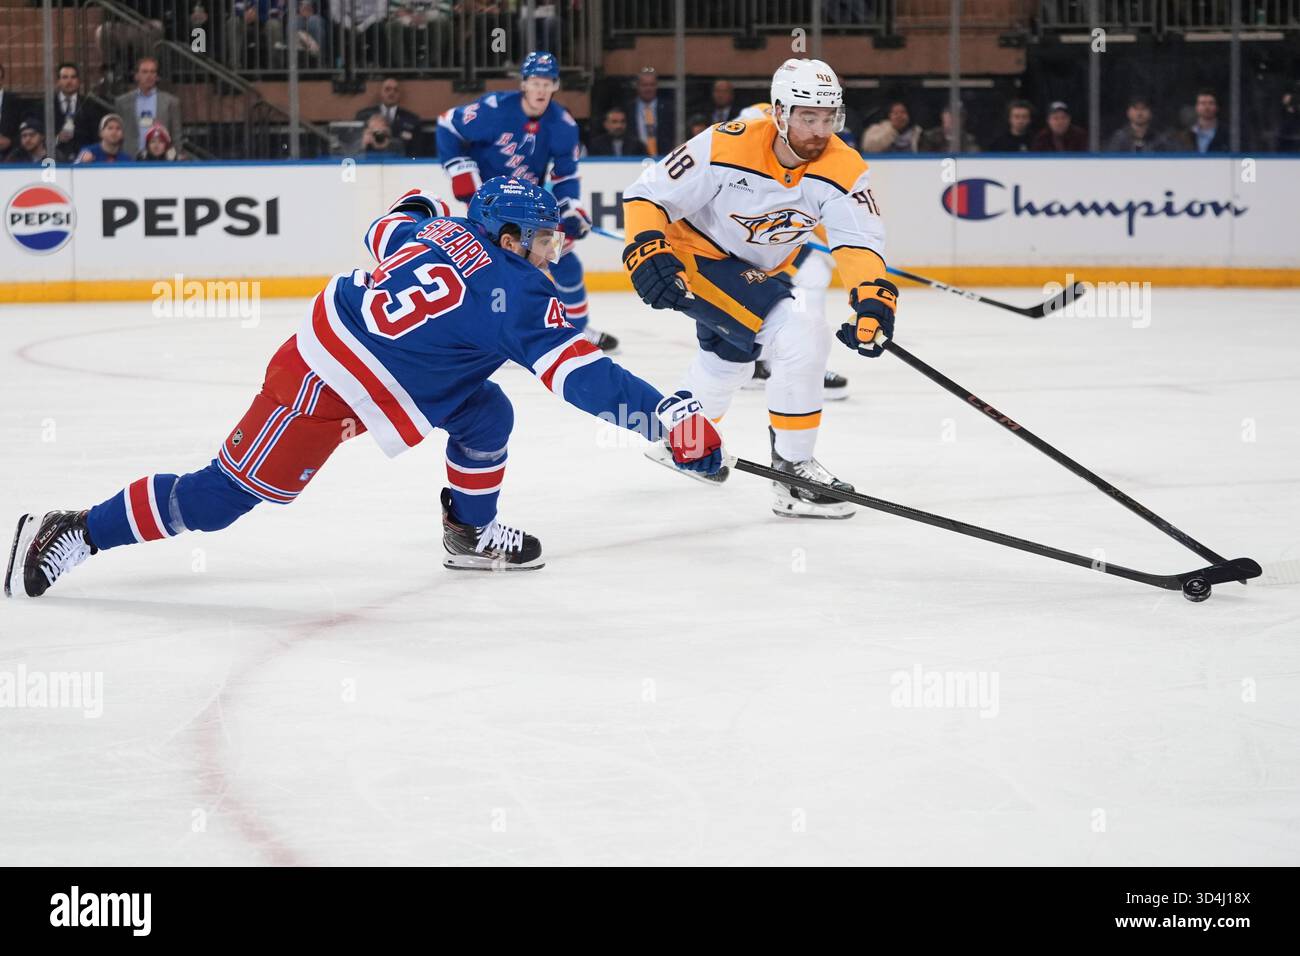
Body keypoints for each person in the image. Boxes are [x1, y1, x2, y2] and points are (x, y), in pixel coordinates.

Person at [4, 178, 724, 598]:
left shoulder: (442, 229)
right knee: (221, 499)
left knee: (486, 412)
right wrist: (665, 419)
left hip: (386, 368)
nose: (554, 249)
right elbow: (584, 377)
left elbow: (390, 225)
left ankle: (469, 530)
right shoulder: (519, 295)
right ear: (508, 240)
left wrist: (414, 209)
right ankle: (73, 530)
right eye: (542, 240)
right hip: (325, 386)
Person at [622, 58, 897, 519]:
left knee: (729, 357)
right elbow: (647, 193)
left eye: (829, 118)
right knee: (799, 333)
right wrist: (647, 247)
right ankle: (793, 474)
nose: (819, 130)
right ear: (780, 112)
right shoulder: (727, 143)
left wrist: (872, 298)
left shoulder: (844, 168)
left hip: (754, 268)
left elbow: (859, 242)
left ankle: (682, 442)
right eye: (809, 117)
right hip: (693, 254)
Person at [437, 51, 618, 353]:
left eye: (548, 83)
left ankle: (578, 329)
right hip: (488, 206)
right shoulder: (493, 109)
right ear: (524, 83)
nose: (541, 90)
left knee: (565, 261)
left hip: (527, 208)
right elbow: (447, 124)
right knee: (486, 267)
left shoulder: (563, 124)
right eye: (535, 82)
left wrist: (570, 206)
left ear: (556, 85)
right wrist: (459, 167)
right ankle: (479, 334)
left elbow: (564, 176)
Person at [114, 57, 183, 155]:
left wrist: (176, 156)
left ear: (157, 76)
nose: (149, 76)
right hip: (131, 158)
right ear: (136, 76)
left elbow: (176, 135)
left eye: (152, 72)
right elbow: (118, 132)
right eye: (145, 72)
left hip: (161, 159)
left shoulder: (170, 102)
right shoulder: (122, 102)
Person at [356, 77, 422, 158]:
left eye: (395, 90)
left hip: (401, 163)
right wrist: (362, 144)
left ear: (400, 94)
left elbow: (416, 152)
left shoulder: (412, 119)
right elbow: (353, 147)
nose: (391, 93)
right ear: (380, 92)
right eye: (387, 89)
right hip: (369, 161)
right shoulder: (364, 116)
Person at [52, 62, 101, 164]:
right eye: (65, 77)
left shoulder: (90, 105)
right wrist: (57, 138)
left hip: (85, 160)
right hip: (54, 160)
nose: (69, 81)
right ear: (58, 82)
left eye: (73, 77)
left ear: (78, 82)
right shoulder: (48, 105)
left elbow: (96, 135)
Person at [624, 66, 673, 156]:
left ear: (656, 86)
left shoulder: (669, 108)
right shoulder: (628, 108)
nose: (648, 88)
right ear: (637, 86)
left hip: (663, 157)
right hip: (634, 158)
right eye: (644, 85)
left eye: (652, 85)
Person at [1169, 88, 1228, 153]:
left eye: (1211, 103)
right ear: (1196, 107)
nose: (1207, 107)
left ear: (1217, 107)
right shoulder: (1186, 135)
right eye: (1203, 103)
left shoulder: (1227, 134)